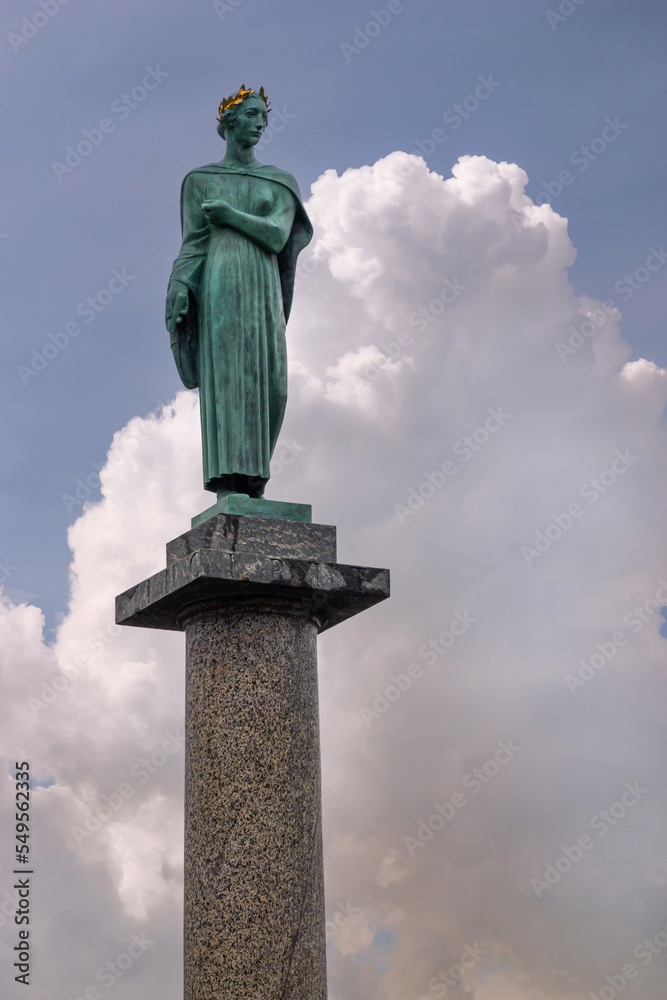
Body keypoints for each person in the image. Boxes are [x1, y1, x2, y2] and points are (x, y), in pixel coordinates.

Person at [165, 85, 313, 499]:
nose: (260, 123)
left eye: (264, 117)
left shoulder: (280, 182)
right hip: (222, 282)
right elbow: (194, 244)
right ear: (228, 122)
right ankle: (232, 482)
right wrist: (180, 284)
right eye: (251, 115)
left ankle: (256, 475)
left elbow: (277, 236)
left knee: (273, 385)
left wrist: (230, 215)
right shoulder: (200, 180)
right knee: (228, 377)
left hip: (263, 285)